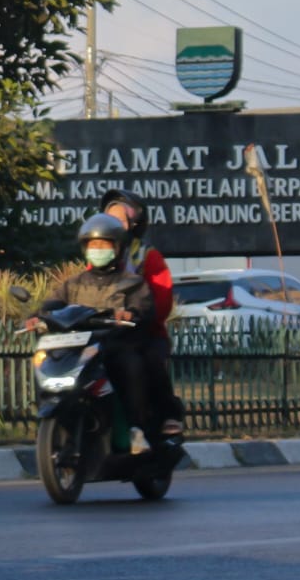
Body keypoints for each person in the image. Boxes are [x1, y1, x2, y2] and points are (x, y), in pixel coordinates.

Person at [26, 213, 157, 454]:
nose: (98, 249)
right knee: (47, 364)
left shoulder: (132, 282)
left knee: (130, 367)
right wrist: (37, 316)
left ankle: (136, 430)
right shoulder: (73, 283)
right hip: (79, 346)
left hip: (115, 346)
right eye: (93, 245)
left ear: (117, 247)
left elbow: (145, 307)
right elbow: (52, 304)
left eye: (104, 245)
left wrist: (130, 313)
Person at [101, 188, 183, 436]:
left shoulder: (148, 256)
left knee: (146, 362)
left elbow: (161, 301)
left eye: (120, 219)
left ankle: (166, 415)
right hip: (105, 333)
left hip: (144, 333)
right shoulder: (98, 255)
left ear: (134, 224)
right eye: (109, 218)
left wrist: (137, 316)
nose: (113, 225)